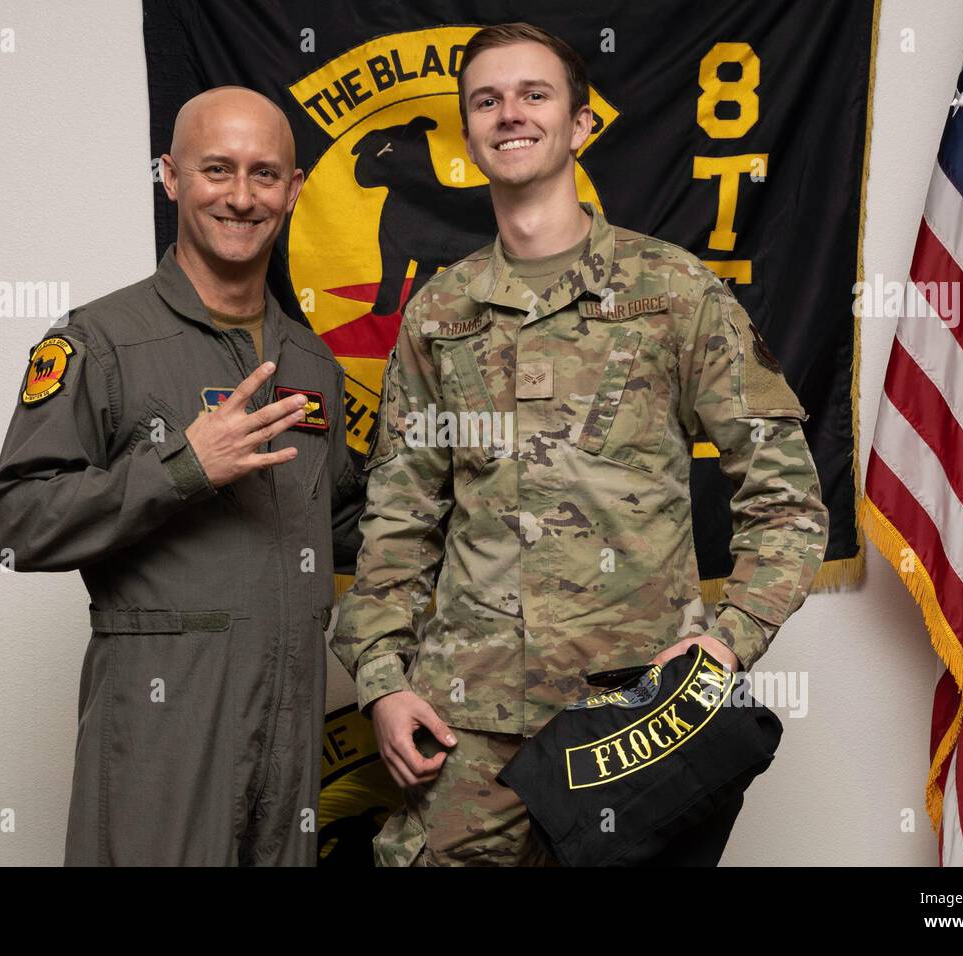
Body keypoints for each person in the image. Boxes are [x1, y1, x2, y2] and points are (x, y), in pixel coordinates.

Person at [332, 23, 829, 867]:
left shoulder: (672, 293)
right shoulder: (440, 314)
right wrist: (381, 682)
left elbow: (786, 501)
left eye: (535, 94)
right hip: (465, 722)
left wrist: (728, 639)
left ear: (581, 125)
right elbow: (397, 523)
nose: (509, 114)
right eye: (486, 99)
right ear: (467, 130)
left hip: (632, 720)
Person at [0, 87, 362, 866]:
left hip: (292, 728)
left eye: (264, 174)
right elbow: (16, 520)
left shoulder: (311, 363)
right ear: (170, 177)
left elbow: (343, 523)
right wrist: (185, 469)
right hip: (163, 728)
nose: (241, 195)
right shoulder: (102, 341)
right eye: (216, 169)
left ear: (293, 191)